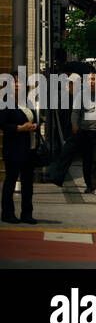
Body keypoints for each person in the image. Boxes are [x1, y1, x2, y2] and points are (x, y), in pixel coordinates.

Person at [1, 75, 42, 224]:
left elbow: (35, 120)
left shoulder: (28, 102)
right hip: (13, 149)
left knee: (27, 183)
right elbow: (3, 125)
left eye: (21, 83)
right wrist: (19, 128)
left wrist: (35, 126)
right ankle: (7, 213)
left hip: (29, 148)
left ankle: (27, 213)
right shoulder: (5, 103)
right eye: (15, 83)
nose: (18, 85)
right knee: (11, 181)